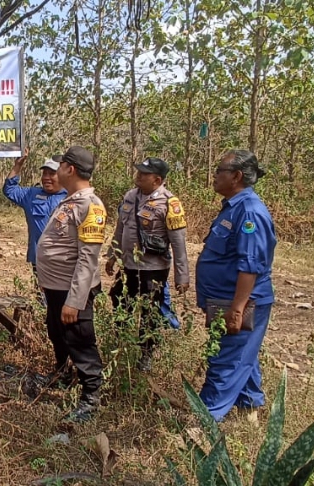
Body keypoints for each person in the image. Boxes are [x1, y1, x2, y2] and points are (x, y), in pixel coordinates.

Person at [196, 150, 275, 422]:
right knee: (244, 353)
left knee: (225, 361)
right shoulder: (233, 206)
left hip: (241, 302)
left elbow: (250, 265)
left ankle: (206, 420)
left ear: (236, 176)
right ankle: (249, 407)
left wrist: (238, 308)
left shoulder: (250, 212)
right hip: (224, 300)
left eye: (219, 170)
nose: (215, 175)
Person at [35, 146, 106, 423]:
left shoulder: (91, 205)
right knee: (57, 333)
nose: (56, 170)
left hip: (72, 291)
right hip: (56, 287)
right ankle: (62, 375)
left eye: (60, 165)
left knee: (80, 341)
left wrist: (75, 301)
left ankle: (91, 398)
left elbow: (88, 259)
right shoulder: (70, 200)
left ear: (70, 169)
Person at [106, 157, 190, 371]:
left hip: (153, 269)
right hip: (128, 266)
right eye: (139, 172)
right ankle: (121, 343)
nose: (139, 176)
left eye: (145, 174)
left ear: (157, 179)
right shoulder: (130, 196)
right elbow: (120, 229)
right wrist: (112, 255)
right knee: (119, 298)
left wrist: (182, 276)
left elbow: (179, 244)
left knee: (149, 312)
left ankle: (146, 354)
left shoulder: (170, 203)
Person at [2, 150, 68, 275]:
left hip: (64, 261)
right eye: (44, 174)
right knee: (42, 293)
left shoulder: (72, 197)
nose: (46, 178)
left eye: (52, 174)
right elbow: (9, 190)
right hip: (40, 258)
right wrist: (18, 166)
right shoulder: (32, 194)